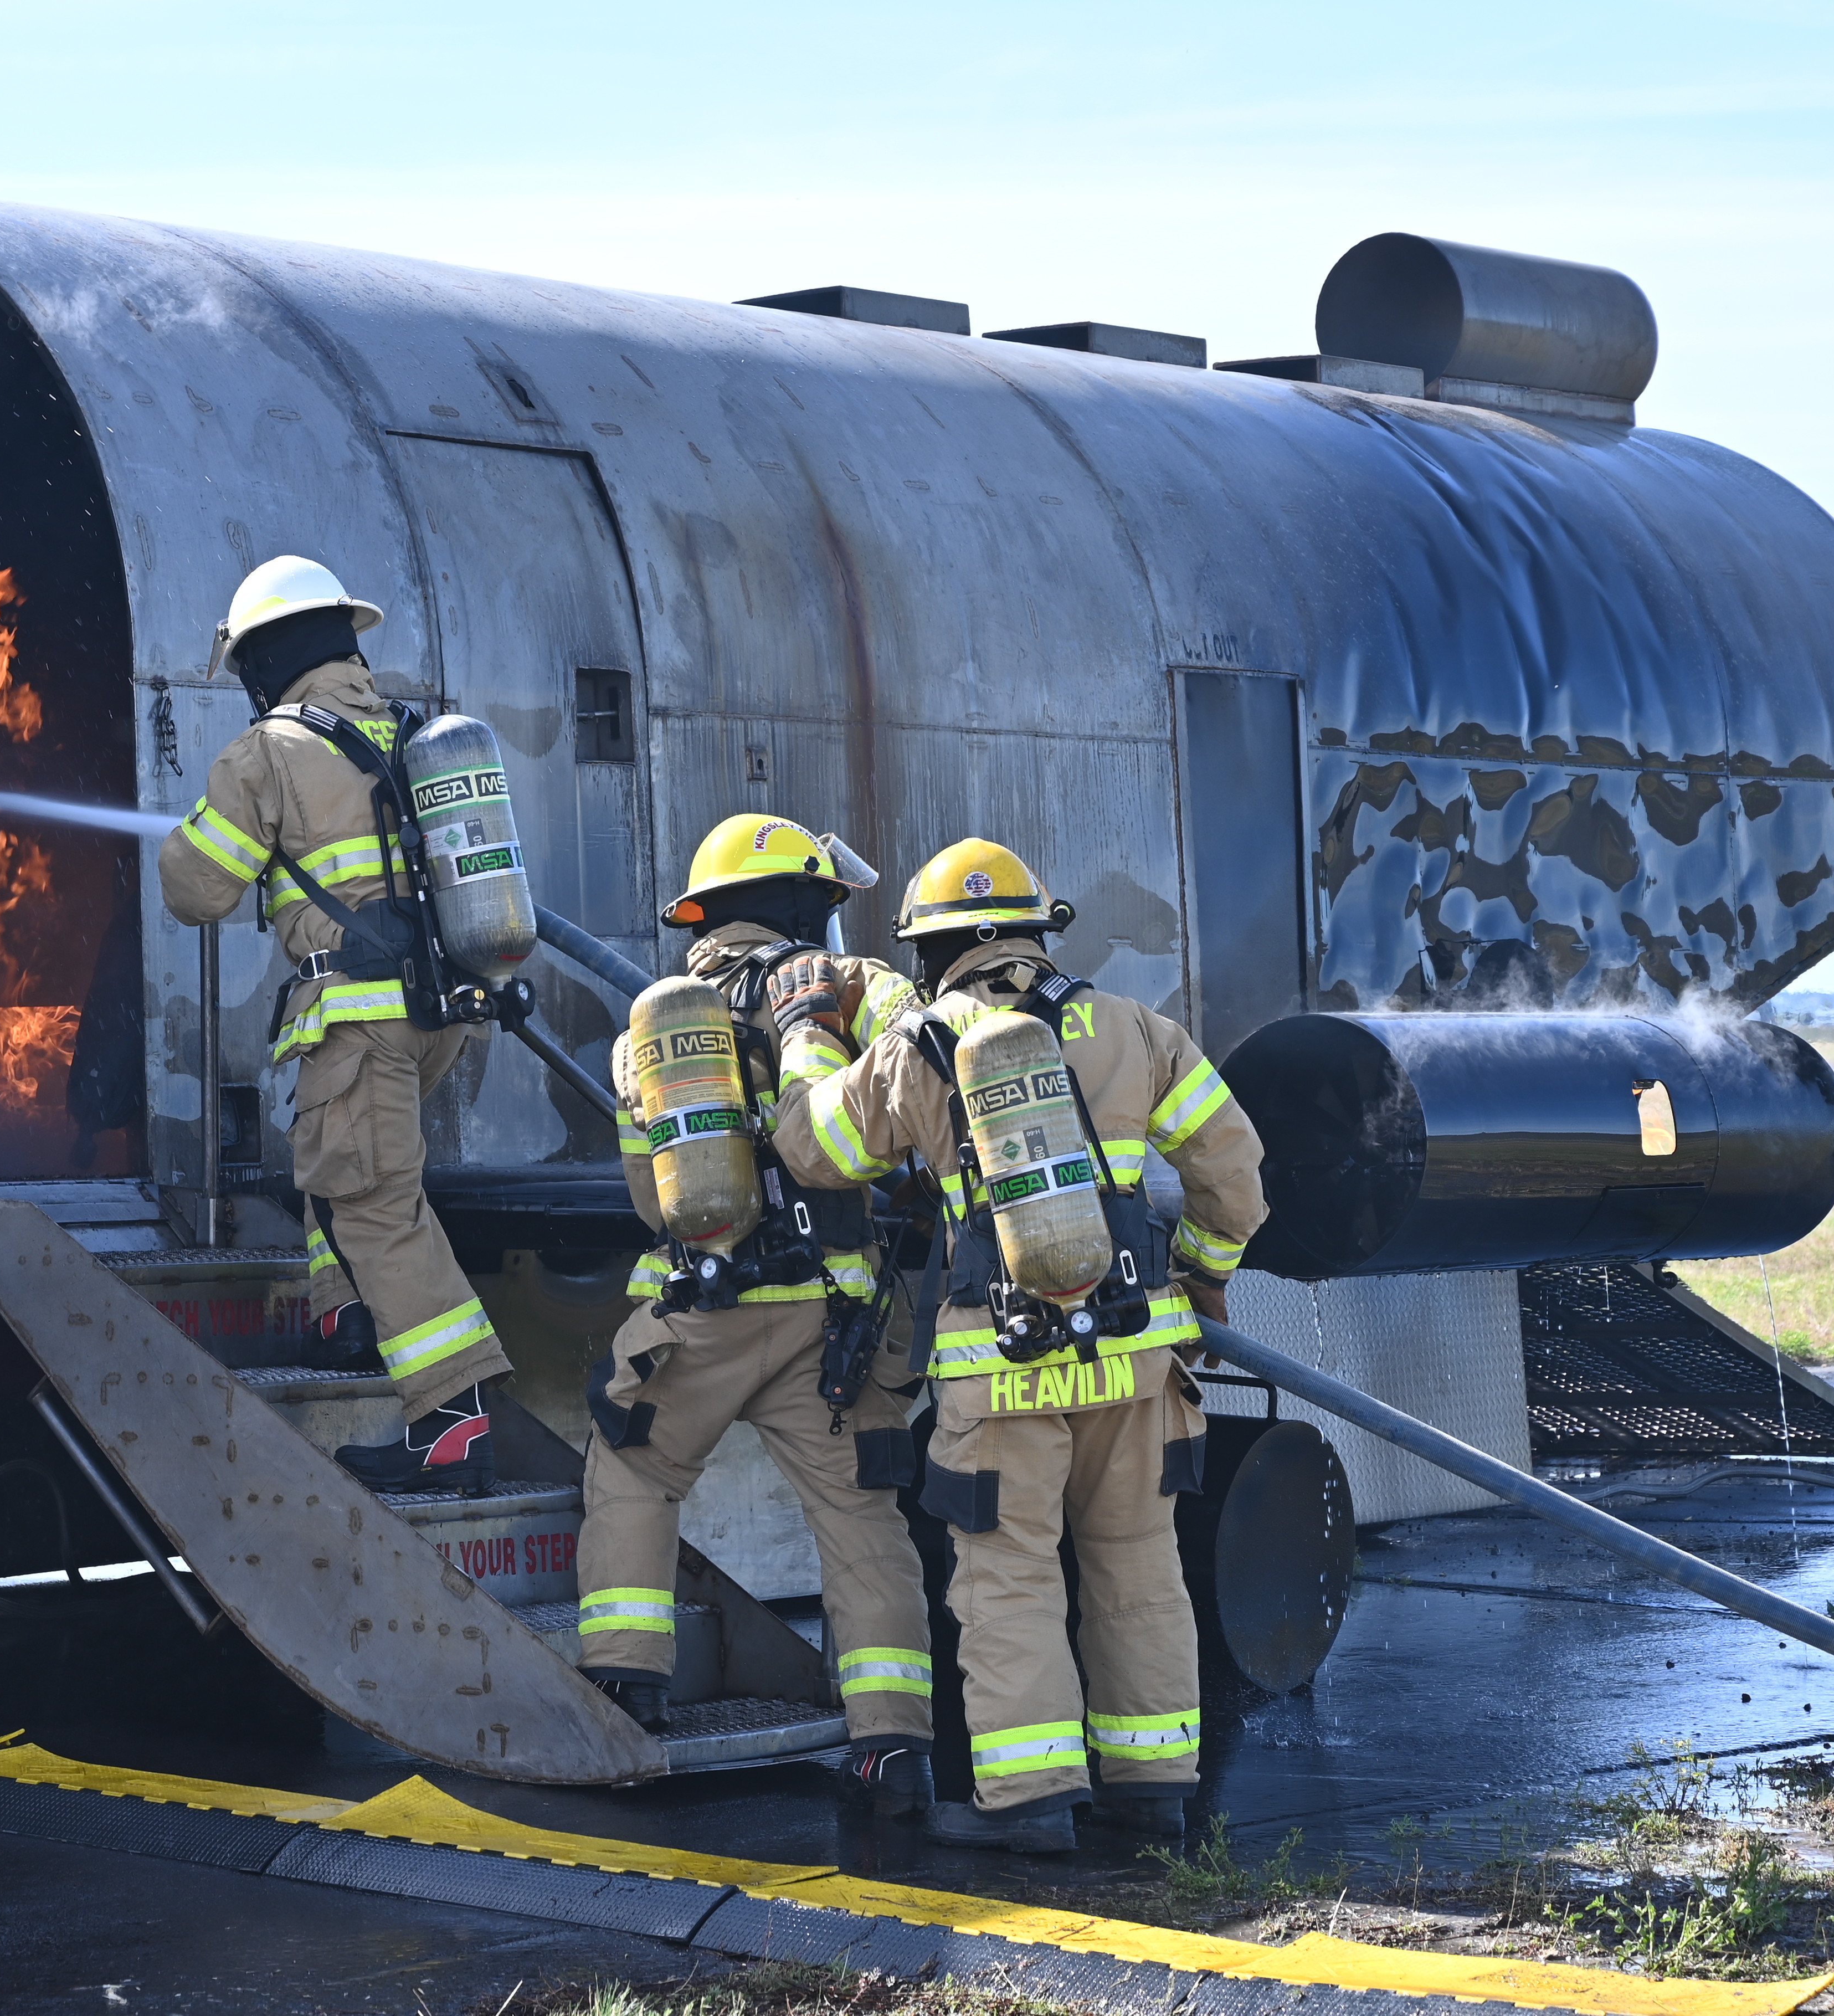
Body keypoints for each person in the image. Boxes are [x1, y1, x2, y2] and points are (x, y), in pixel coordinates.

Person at [770, 838, 1265, 1852]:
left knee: (1009, 1577)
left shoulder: (923, 1044)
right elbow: (1237, 1174)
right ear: (1041, 934)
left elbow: (808, 1150)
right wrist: (1206, 1273)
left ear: (932, 951)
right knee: (1138, 1564)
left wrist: (809, 1033)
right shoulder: (1136, 1028)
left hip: (1001, 1374)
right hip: (1139, 1359)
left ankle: (1030, 1805)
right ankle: (1154, 1787)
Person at [575, 815, 939, 1815]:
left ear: (709, 915)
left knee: (637, 1473)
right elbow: (938, 1066)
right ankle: (893, 1744)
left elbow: (654, 1201)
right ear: (803, 903)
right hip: (838, 1317)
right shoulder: (854, 985)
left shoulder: (650, 1033)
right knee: (862, 1516)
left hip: (701, 1310)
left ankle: (627, 1689)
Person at [157, 557, 511, 1493]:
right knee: (337, 1163)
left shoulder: (269, 751)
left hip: (357, 1020)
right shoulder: (403, 731)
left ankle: (450, 1421)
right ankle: (347, 1317)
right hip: (434, 1014)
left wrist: (192, 826)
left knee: (372, 1199)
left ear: (261, 659)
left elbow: (196, 890)